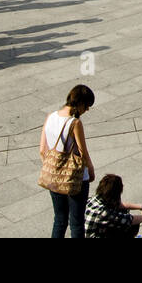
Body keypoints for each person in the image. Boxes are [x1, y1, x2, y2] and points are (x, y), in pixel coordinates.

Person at [41, 85, 96, 238]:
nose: (87, 110)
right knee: (77, 222)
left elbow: (42, 149)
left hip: (54, 177)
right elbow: (83, 152)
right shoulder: (75, 123)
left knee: (59, 219)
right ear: (80, 103)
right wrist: (90, 169)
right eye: (87, 106)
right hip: (75, 178)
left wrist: (55, 167)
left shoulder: (50, 117)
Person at [84, 174, 142, 238]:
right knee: (132, 226)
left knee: (121, 212)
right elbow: (130, 220)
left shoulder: (92, 199)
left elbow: (119, 205)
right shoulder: (104, 212)